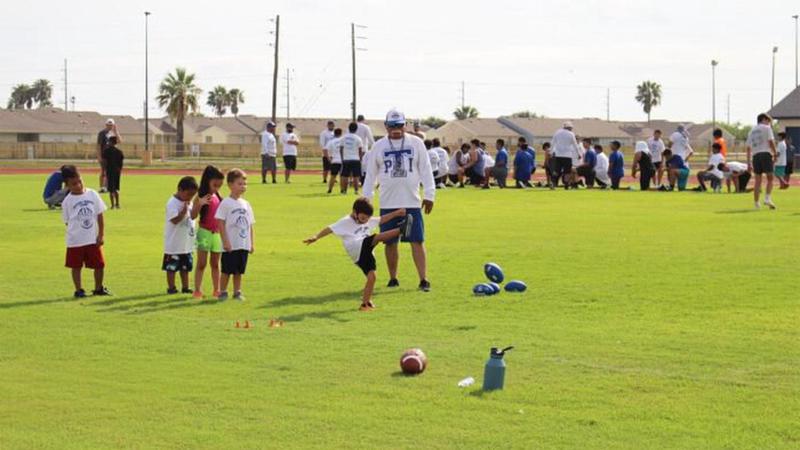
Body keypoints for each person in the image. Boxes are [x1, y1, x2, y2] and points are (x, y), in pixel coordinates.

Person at [362, 109, 435, 292]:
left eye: (399, 125)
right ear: (386, 126)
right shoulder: (378, 146)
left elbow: (426, 170)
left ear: (405, 125)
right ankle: (393, 278)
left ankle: (423, 279)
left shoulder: (416, 143)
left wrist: (429, 195)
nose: (396, 129)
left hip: (411, 201)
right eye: (392, 126)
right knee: (390, 242)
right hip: (388, 202)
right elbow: (370, 175)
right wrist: (367, 199)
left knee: (417, 240)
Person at [303, 198, 411, 311]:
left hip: (365, 252)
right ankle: (401, 230)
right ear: (355, 212)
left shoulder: (367, 219)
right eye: (363, 218)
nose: (365, 221)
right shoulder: (345, 221)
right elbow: (329, 229)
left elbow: (381, 220)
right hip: (356, 247)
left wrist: (396, 213)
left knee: (372, 277)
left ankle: (365, 304)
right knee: (376, 238)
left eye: (367, 218)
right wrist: (316, 237)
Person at [59, 165, 110, 298]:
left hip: (92, 238)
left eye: (80, 181)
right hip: (75, 240)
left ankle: (98, 288)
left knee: (99, 264)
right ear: (67, 185)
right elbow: (67, 221)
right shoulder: (67, 202)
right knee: (76, 266)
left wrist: (101, 234)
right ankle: (79, 289)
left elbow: (100, 215)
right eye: (74, 184)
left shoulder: (92, 194)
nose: (78, 185)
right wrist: (76, 232)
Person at [215, 169, 255, 301]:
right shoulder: (226, 203)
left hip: (243, 243)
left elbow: (250, 224)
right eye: (240, 184)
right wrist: (225, 241)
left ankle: (237, 291)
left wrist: (251, 243)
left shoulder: (246, 204)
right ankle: (223, 291)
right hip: (231, 244)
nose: (243, 186)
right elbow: (220, 223)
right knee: (227, 270)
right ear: (230, 185)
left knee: (239, 270)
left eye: (245, 184)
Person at [191, 165, 225, 299]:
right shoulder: (200, 196)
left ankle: (217, 290)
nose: (217, 188)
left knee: (216, 264)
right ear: (208, 181)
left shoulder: (217, 196)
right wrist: (200, 203)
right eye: (215, 185)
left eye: (220, 185)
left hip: (217, 235)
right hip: (204, 233)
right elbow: (193, 216)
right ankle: (197, 290)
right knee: (201, 263)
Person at [163, 176, 198, 295]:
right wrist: (183, 213)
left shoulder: (189, 202)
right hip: (174, 243)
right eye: (188, 194)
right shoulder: (172, 203)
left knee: (185, 267)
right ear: (180, 190)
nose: (190, 198)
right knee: (171, 268)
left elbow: (193, 216)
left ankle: (185, 287)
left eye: (192, 195)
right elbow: (174, 220)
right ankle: (171, 287)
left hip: (186, 242)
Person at [745, 113, 777, 209]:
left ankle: (756, 204)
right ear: (764, 119)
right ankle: (767, 198)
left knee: (757, 181)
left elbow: (748, 148)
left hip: (756, 156)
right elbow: (771, 142)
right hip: (765, 154)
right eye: (768, 121)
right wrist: (775, 153)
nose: (769, 123)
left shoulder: (751, 131)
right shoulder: (767, 128)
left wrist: (748, 162)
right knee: (770, 178)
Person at [551, 121, 580, 188]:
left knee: (556, 170)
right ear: (569, 127)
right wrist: (579, 154)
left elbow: (553, 143)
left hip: (558, 155)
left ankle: (553, 182)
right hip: (567, 155)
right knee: (567, 171)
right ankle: (566, 184)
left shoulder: (557, 132)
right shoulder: (571, 134)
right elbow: (575, 144)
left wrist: (551, 152)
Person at [96, 118, 121, 193]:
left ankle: (108, 187)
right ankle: (102, 187)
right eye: (108, 125)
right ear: (106, 125)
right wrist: (99, 156)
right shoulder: (102, 133)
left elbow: (119, 141)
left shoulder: (114, 133)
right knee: (103, 171)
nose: (110, 126)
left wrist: (116, 131)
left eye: (111, 125)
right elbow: (99, 145)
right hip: (104, 155)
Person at [340, 122, 364, 194]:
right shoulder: (358, 138)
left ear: (348, 128)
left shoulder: (343, 137)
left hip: (346, 159)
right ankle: (356, 190)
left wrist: (342, 158)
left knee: (345, 175)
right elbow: (360, 150)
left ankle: (344, 190)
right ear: (356, 129)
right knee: (356, 176)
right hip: (355, 159)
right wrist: (360, 158)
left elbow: (341, 149)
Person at [102, 136, 124, 209]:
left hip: (110, 171)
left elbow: (104, 162)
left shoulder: (106, 151)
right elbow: (121, 163)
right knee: (116, 188)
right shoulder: (119, 152)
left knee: (111, 189)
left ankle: (112, 205)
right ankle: (117, 204)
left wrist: (104, 170)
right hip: (117, 172)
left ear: (111, 142)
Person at [325, 128, 343, 194]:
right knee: (342, 176)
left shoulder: (331, 141)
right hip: (342, 161)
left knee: (333, 176)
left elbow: (325, 150)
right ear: (341, 133)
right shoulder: (343, 140)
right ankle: (342, 190)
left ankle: (330, 189)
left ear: (334, 133)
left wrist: (328, 158)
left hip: (334, 161)